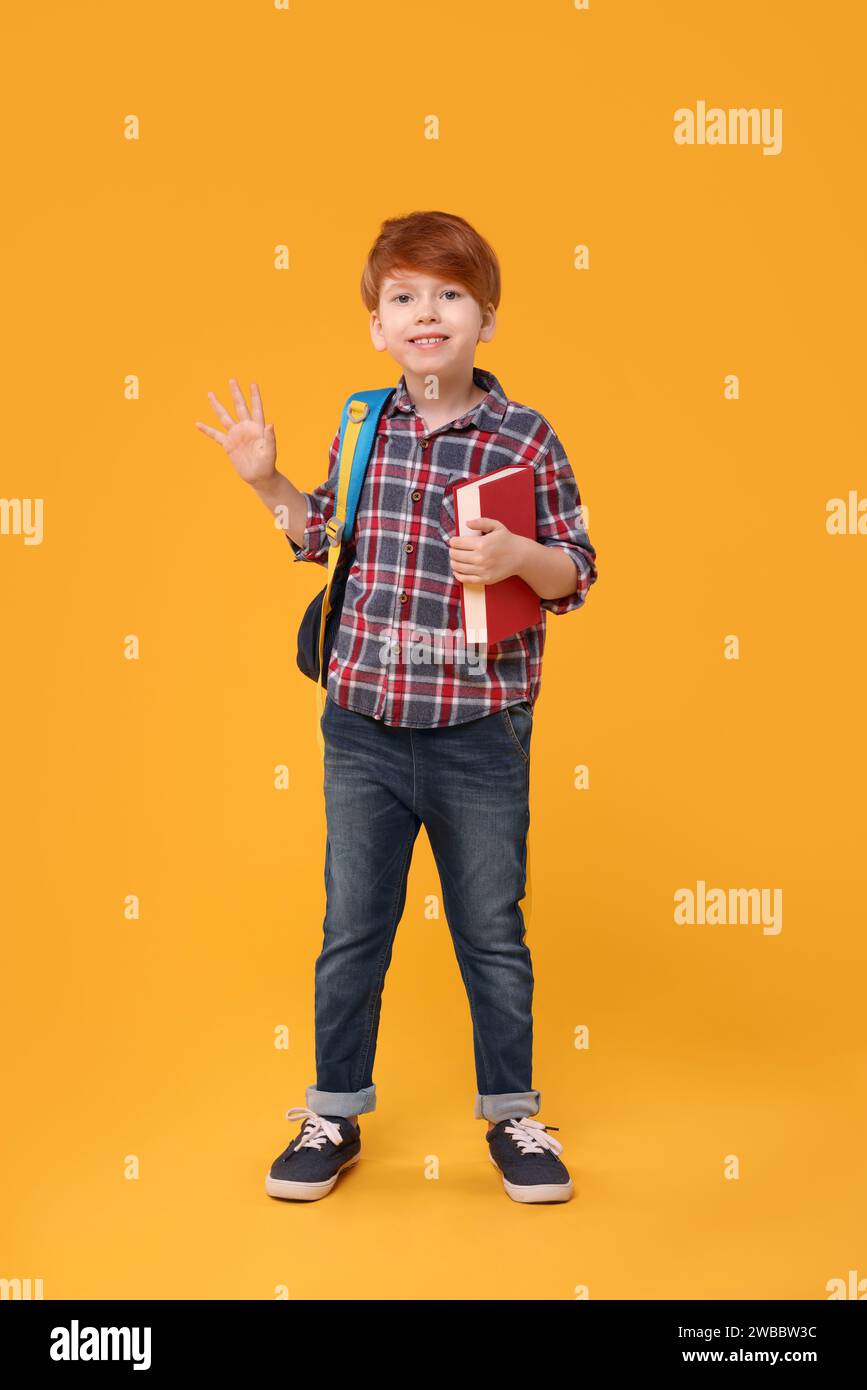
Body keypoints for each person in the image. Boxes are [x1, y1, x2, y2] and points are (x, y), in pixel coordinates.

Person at [195, 210, 598, 1204]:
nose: (428, 313)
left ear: (485, 320)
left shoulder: (525, 436)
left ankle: (514, 1119)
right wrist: (265, 483)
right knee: (352, 927)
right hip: (364, 729)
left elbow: (576, 573)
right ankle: (333, 1112)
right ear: (379, 325)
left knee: (492, 930)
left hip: (479, 733)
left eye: (450, 294)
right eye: (405, 296)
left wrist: (518, 558)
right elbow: (320, 533)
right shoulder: (362, 424)